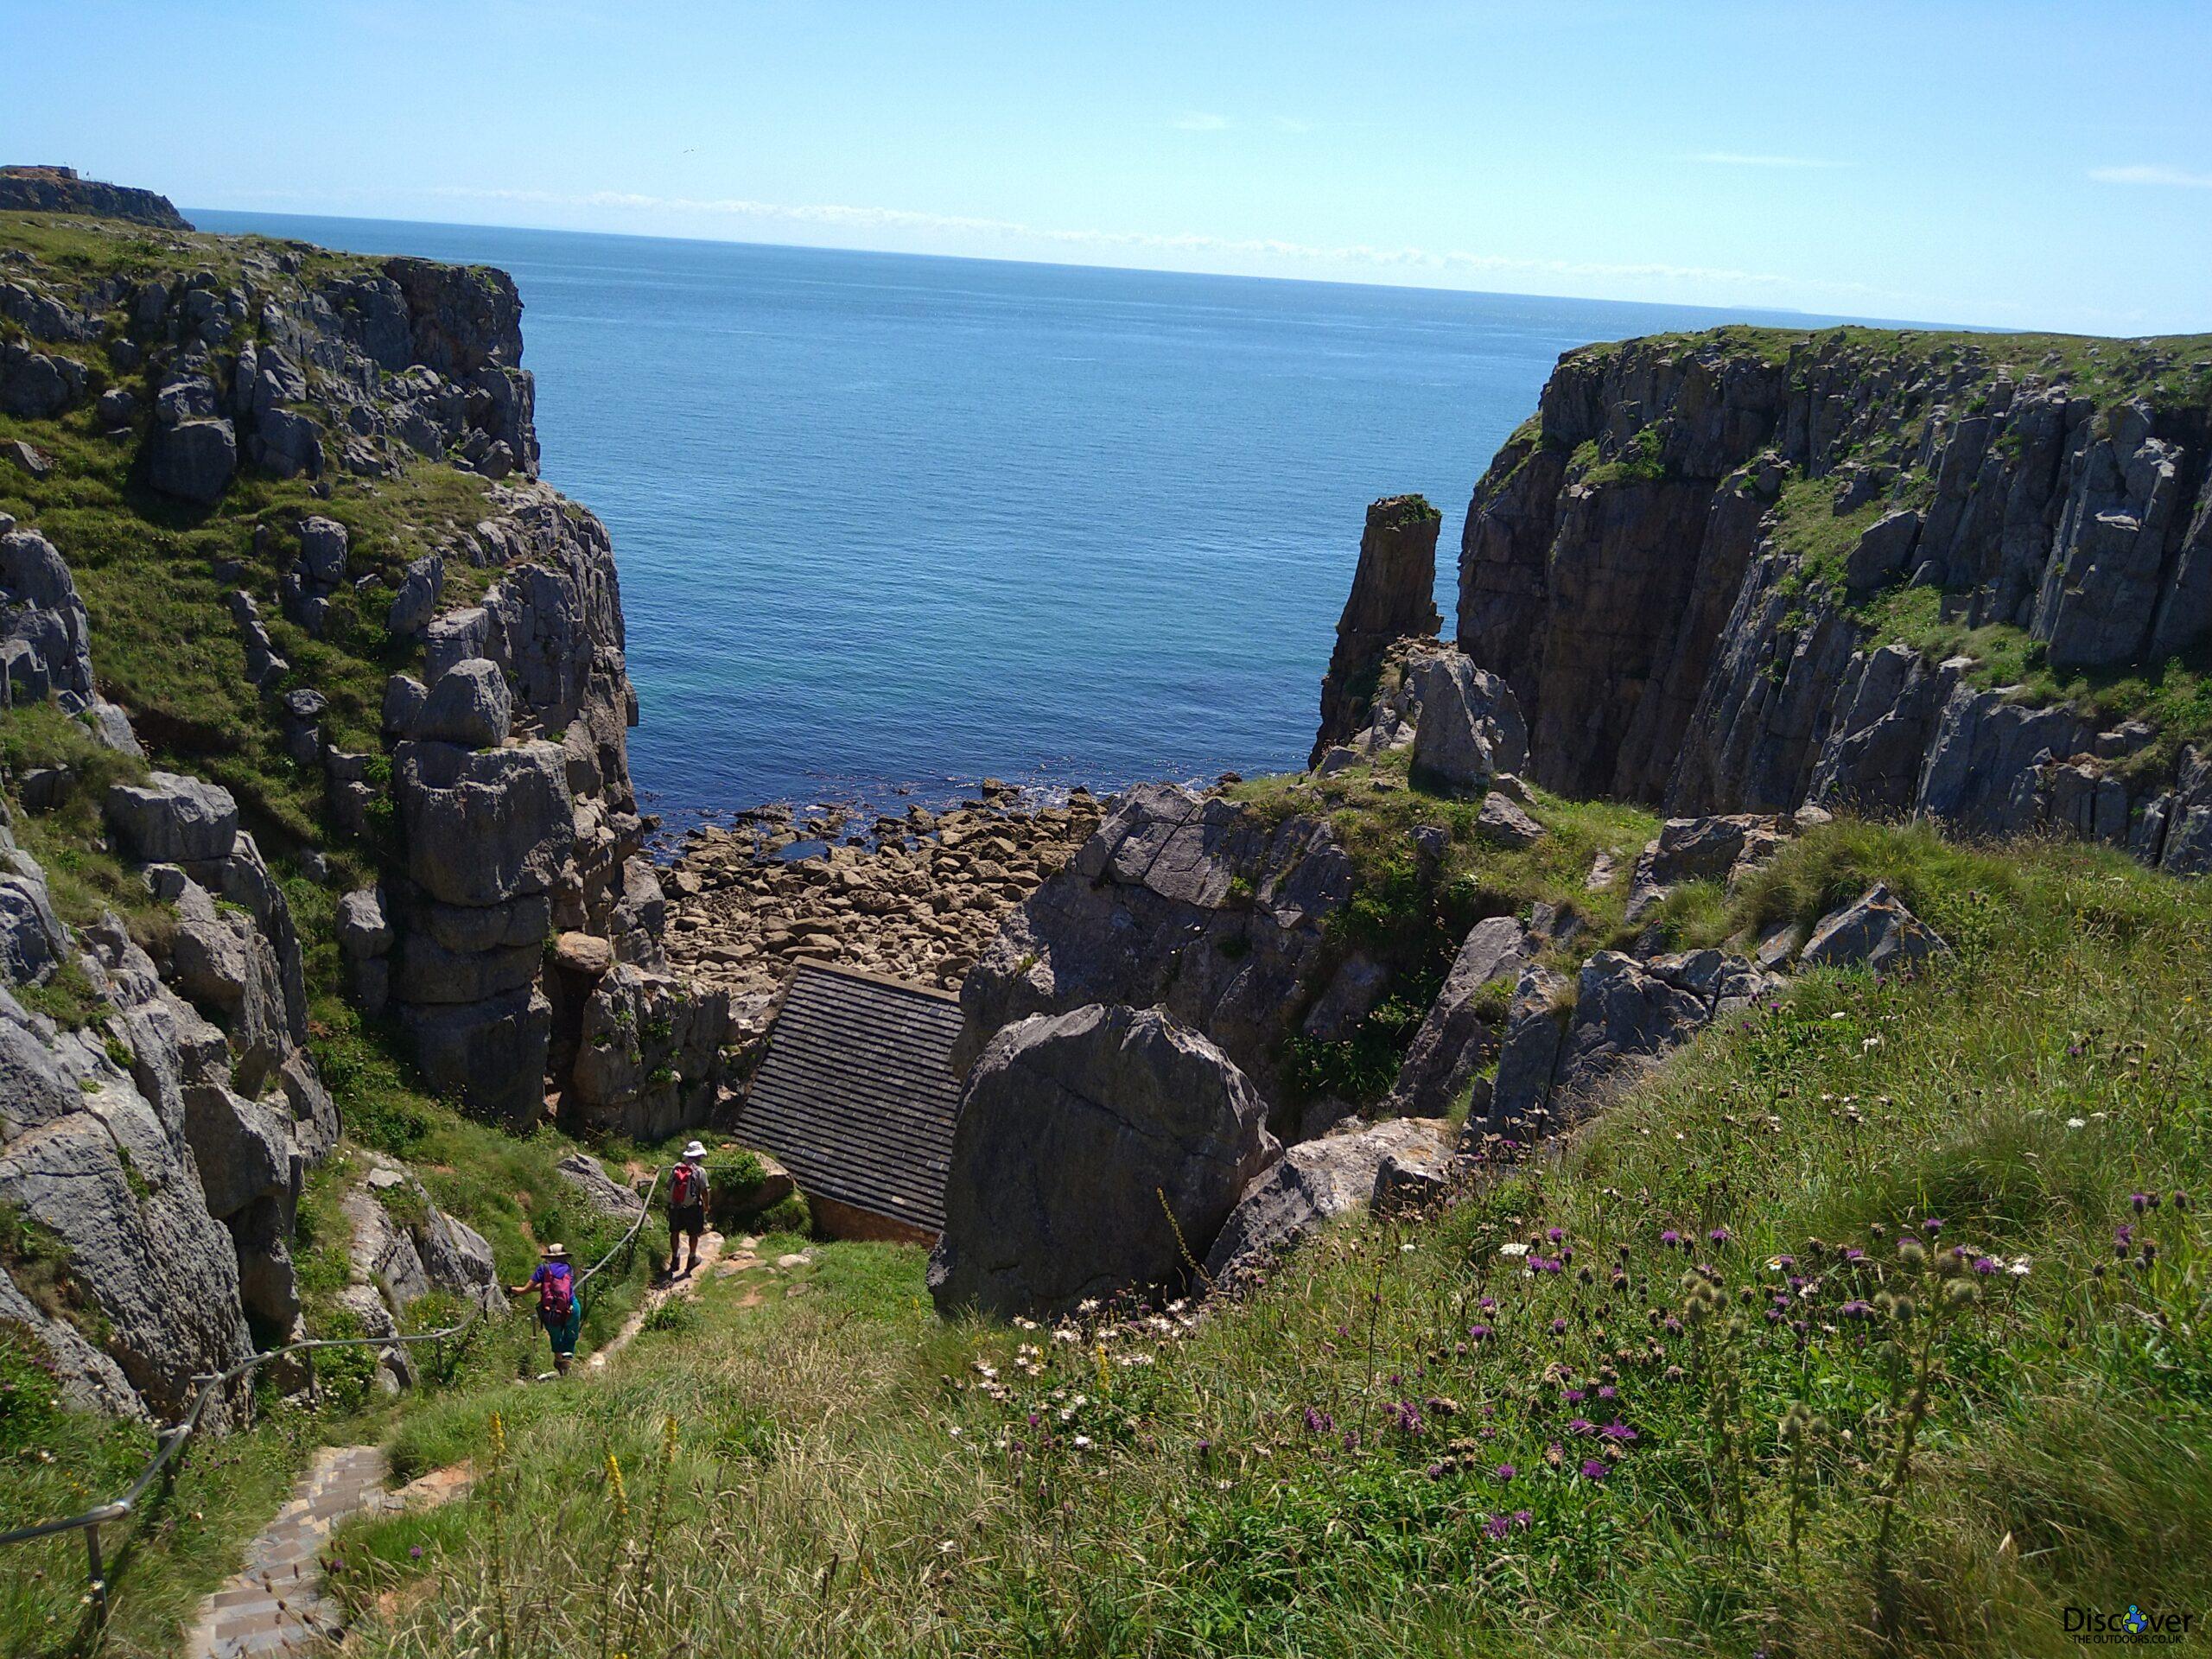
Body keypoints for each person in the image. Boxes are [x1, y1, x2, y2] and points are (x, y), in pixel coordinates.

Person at [510, 1243, 582, 1376]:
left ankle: (559, 1360)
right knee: (570, 1335)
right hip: (571, 1307)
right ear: (564, 1256)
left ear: (549, 1256)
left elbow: (526, 1289)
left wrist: (513, 1289)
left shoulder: (543, 1268)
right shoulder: (568, 1268)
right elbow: (559, 1286)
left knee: (556, 1336)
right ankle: (567, 1365)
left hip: (550, 1311)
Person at [667, 1141, 711, 1277]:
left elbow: (668, 1185)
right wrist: (706, 1205)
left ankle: (675, 1259)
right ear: (699, 1156)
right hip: (692, 1208)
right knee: (693, 1234)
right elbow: (704, 1191)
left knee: (675, 1231)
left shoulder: (676, 1167)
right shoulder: (700, 1171)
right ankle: (691, 1259)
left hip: (676, 1206)